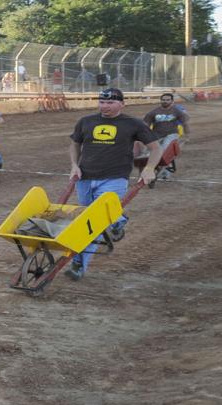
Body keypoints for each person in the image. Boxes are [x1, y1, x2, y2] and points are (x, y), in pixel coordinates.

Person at [65, 87, 160, 279]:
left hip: (114, 177)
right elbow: (75, 144)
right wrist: (74, 165)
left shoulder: (133, 124)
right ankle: (119, 219)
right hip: (85, 178)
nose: (105, 106)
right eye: (102, 102)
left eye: (110, 102)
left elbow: (155, 148)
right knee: (88, 218)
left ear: (122, 104)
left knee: (93, 221)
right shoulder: (86, 121)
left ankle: (78, 265)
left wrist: (149, 168)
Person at [145, 92, 187, 175]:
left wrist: (185, 134)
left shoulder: (177, 110)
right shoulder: (154, 112)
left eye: (168, 100)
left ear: (172, 101)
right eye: (163, 100)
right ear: (160, 100)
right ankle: (154, 169)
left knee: (164, 151)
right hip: (157, 134)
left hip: (172, 133)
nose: (165, 101)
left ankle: (165, 173)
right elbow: (146, 124)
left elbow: (184, 121)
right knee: (149, 153)